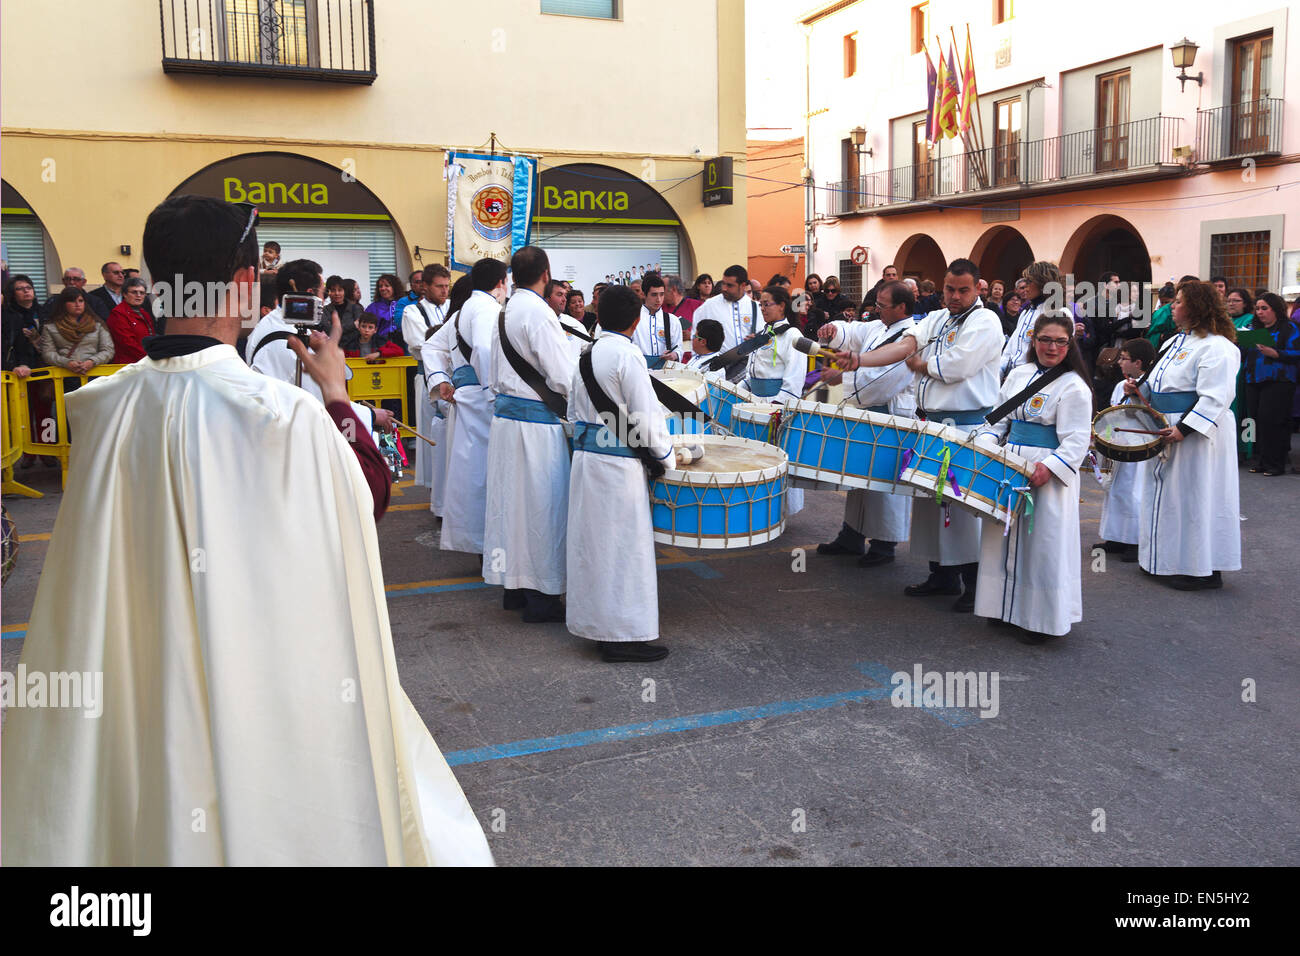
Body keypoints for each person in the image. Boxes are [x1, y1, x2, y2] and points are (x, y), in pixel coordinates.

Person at [0, 194, 492, 866]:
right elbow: (365, 496)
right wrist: (338, 393)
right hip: (252, 670)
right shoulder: (279, 413)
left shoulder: (100, 406)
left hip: (134, 671)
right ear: (239, 285)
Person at [835, 258, 1003, 612]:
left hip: (967, 428)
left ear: (977, 288)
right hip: (933, 426)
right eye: (949, 289)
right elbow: (905, 346)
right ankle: (941, 575)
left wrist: (921, 365)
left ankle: (974, 585)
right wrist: (859, 360)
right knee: (930, 504)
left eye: (963, 290)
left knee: (962, 508)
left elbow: (958, 366)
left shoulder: (986, 320)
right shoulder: (938, 317)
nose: (954, 296)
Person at [565, 284, 675, 663]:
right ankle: (622, 636)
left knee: (594, 547)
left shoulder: (586, 354)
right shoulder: (627, 357)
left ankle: (596, 626)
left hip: (585, 462)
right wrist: (666, 457)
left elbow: (572, 413)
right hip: (618, 467)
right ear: (636, 319)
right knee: (625, 550)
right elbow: (646, 417)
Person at [971, 310, 1094, 643]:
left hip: (1045, 474)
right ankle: (1002, 609)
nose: (1051, 348)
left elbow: (1077, 439)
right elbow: (996, 420)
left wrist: (1049, 468)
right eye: (1045, 340)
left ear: (1070, 345)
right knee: (1003, 538)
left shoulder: (1074, 386)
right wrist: (987, 447)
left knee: (1042, 544)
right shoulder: (1019, 374)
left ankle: (1040, 620)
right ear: (1033, 340)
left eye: (1059, 342)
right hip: (1008, 465)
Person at [483, 246, 577, 623]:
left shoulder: (504, 310)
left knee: (513, 509)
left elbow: (493, 370)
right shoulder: (539, 313)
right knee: (543, 508)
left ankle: (516, 588)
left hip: (506, 422)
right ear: (546, 273)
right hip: (536, 426)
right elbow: (562, 375)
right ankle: (542, 597)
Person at [1130, 280, 1241, 589]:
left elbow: (1216, 397)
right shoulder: (1173, 343)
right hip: (1165, 424)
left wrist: (1184, 429)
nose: (1172, 307)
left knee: (1196, 497)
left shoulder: (1218, 347)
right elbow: (1160, 381)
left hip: (1197, 435)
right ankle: (1162, 561)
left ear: (1196, 307)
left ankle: (1202, 569)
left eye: (1178, 302)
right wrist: (1139, 388)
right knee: (1166, 498)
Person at [816, 280, 920, 565]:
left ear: (901, 307)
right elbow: (854, 331)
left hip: (891, 417)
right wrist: (835, 330)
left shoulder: (911, 337)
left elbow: (883, 382)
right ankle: (851, 536)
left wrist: (842, 377)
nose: (877, 310)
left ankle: (884, 544)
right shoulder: (878, 326)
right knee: (859, 479)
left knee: (885, 485)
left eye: (883, 306)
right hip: (868, 414)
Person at [428, 258, 506, 558]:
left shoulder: (463, 311)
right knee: (487, 472)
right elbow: (486, 351)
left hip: (468, 397)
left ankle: (478, 542)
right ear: (500, 282)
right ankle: (488, 543)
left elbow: (432, 347)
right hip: (482, 400)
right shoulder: (486, 309)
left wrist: (440, 379)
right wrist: (493, 392)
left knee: (471, 473)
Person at [1095, 337, 1156, 561]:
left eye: (1124, 358)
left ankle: (1135, 540)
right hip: (1119, 444)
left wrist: (1138, 393)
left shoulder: (1149, 386)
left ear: (1138, 363)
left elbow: (1150, 414)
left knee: (1134, 492)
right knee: (1116, 490)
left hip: (1139, 446)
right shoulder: (1121, 385)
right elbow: (1112, 413)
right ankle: (1116, 536)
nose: (1119, 362)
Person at [1243, 293, 1299, 476]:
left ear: (1275, 309)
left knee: (1273, 421)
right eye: (1257, 308)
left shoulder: (1289, 328)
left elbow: (1297, 353)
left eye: (1264, 308)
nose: (1260, 312)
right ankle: (1261, 461)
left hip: (1279, 380)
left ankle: (1276, 463)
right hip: (1253, 379)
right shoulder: (1253, 327)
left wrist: (1276, 354)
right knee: (1257, 420)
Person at [1001, 260, 1060, 380]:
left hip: (1034, 380)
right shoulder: (1025, 312)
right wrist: (999, 374)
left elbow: (1052, 357)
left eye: (1029, 281)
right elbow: (1009, 350)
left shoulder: (1056, 313)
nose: (1025, 287)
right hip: (1013, 378)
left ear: (1042, 283)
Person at [38, 287, 114, 374]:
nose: (77, 304)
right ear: (63, 304)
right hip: (65, 376)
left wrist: (91, 362)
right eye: (72, 301)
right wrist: (67, 363)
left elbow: (108, 350)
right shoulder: (50, 327)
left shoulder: (97, 325)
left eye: (81, 301)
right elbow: (48, 353)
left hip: (94, 374)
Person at [690, 264, 760, 353]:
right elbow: (695, 341)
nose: (724, 288)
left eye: (729, 285)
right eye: (723, 283)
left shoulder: (757, 308)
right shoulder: (708, 306)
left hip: (751, 364)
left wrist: (758, 341)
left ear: (742, 285)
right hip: (717, 365)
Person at [633, 272, 684, 367]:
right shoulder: (632, 319)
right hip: (639, 368)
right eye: (654, 295)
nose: (659, 299)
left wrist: (674, 355)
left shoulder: (672, 320)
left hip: (665, 373)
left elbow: (679, 348)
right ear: (644, 294)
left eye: (662, 294)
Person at [105, 276, 156, 363]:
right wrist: (150, 356)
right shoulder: (118, 314)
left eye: (142, 293)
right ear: (124, 294)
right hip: (128, 364)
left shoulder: (144, 313)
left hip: (145, 361)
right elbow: (127, 343)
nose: (138, 295)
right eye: (134, 292)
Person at [2, 274, 43, 376]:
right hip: (17, 368)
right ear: (13, 294)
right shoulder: (7, 316)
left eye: (28, 287)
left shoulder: (43, 312)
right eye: (19, 289)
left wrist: (36, 339)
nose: (26, 291)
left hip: (42, 365)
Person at [365, 274, 405, 342]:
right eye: (380, 286)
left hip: (403, 341)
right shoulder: (373, 307)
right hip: (381, 343)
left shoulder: (403, 304)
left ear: (394, 287)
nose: (383, 288)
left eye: (387, 285)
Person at [1145, 281, 1180, 348]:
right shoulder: (1160, 313)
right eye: (1162, 302)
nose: (1164, 305)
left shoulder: (1176, 311)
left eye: (1166, 302)